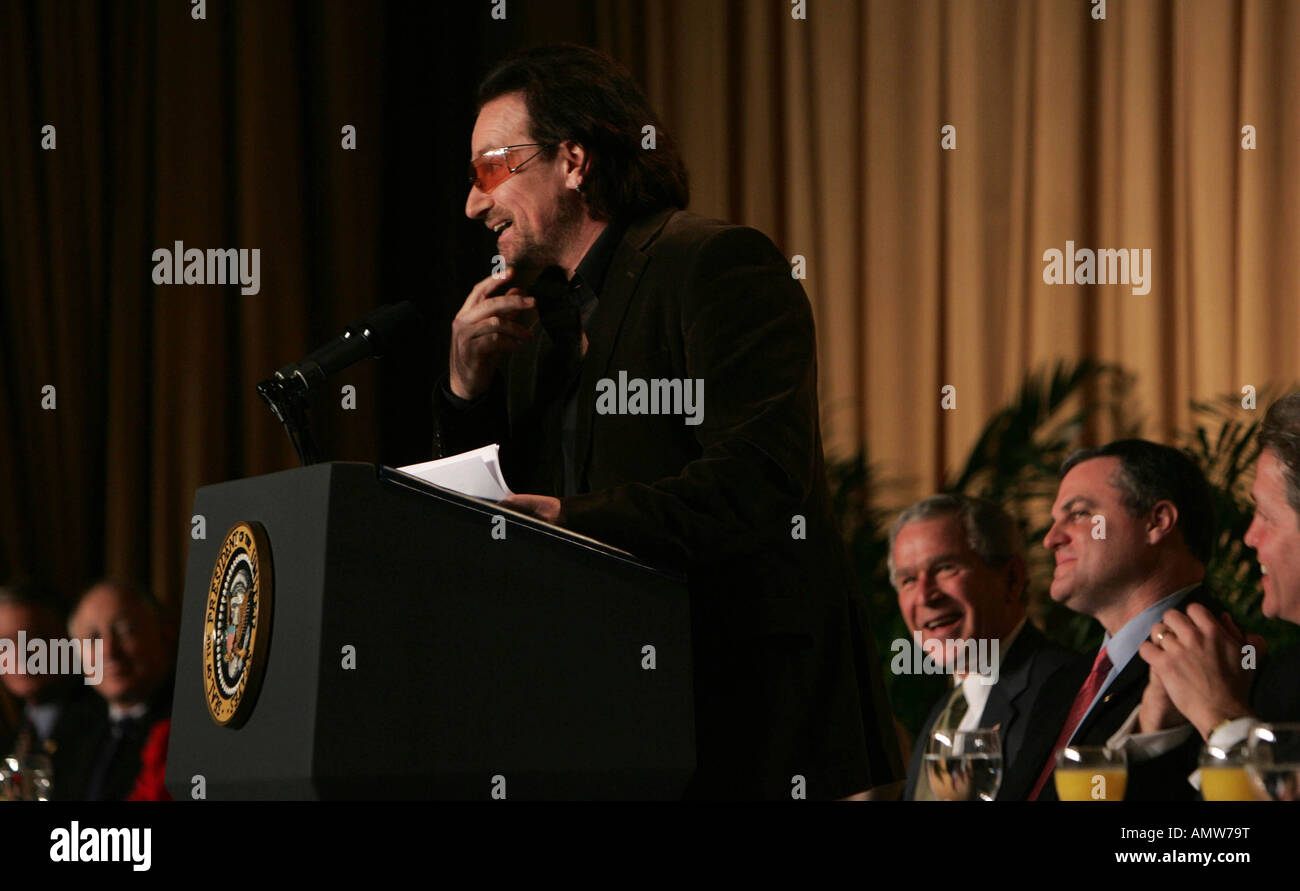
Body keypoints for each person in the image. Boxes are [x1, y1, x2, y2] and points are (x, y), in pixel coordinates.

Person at [432, 44, 902, 799]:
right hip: (608, 724)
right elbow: (488, 513)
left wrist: (573, 522)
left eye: (492, 168)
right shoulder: (529, 332)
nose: (474, 203)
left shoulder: (714, 263)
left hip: (752, 723)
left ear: (575, 160)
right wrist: (465, 390)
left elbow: (759, 480)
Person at [1003, 439, 1218, 801]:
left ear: (1157, 521)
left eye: (1080, 513)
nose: (1050, 539)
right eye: (1056, 520)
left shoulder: (1217, 660)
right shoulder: (1064, 682)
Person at [1138, 394, 1300, 751]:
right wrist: (1157, 731)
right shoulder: (1277, 679)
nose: (1249, 536)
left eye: (1268, 517)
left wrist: (1222, 718)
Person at [889, 495, 1079, 800]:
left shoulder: (1065, 689)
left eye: (946, 568)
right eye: (908, 580)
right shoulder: (945, 711)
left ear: (1012, 579)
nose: (925, 596)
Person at [58, 580, 174, 801]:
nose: (109, 651)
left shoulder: (189, 728)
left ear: (165, 634)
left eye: (125, 631)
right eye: (93, 638)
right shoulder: (71, 731)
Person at [0, 580, 101, 787]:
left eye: (34, 640)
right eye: (4, 644)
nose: (19, 655)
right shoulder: (15, 737)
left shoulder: (107, 726)